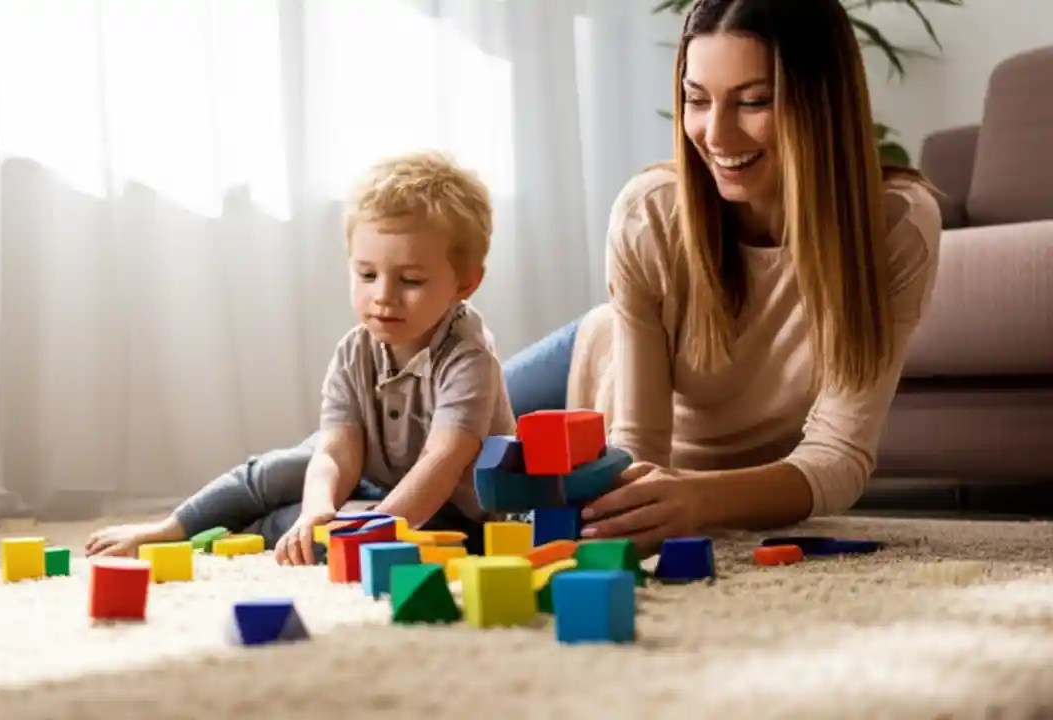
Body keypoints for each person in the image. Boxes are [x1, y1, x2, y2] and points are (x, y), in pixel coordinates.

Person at [503, 0, 943, 554]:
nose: (716, 135)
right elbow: (637, 441)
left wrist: (700, 499)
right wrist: (640, 500)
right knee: (410, 447)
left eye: (753, 101)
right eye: (696, 100)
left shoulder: (895, 228)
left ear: (821, 104)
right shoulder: (650, 212)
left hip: (697, 474)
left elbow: (839, 457)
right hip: (597, 357)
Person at [86, 151, 514, 563]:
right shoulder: (354, 350)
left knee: (337, 540)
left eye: (411, 280)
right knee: (278, 472)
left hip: (456, 514)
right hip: (378, 482)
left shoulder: (467, 356)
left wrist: (375, 526)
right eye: (367, 275)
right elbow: (336, 452)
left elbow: (442, 460)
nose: (383, 296)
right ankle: (173, 528)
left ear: (465, 284)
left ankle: (256, 531)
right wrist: (316, 511)